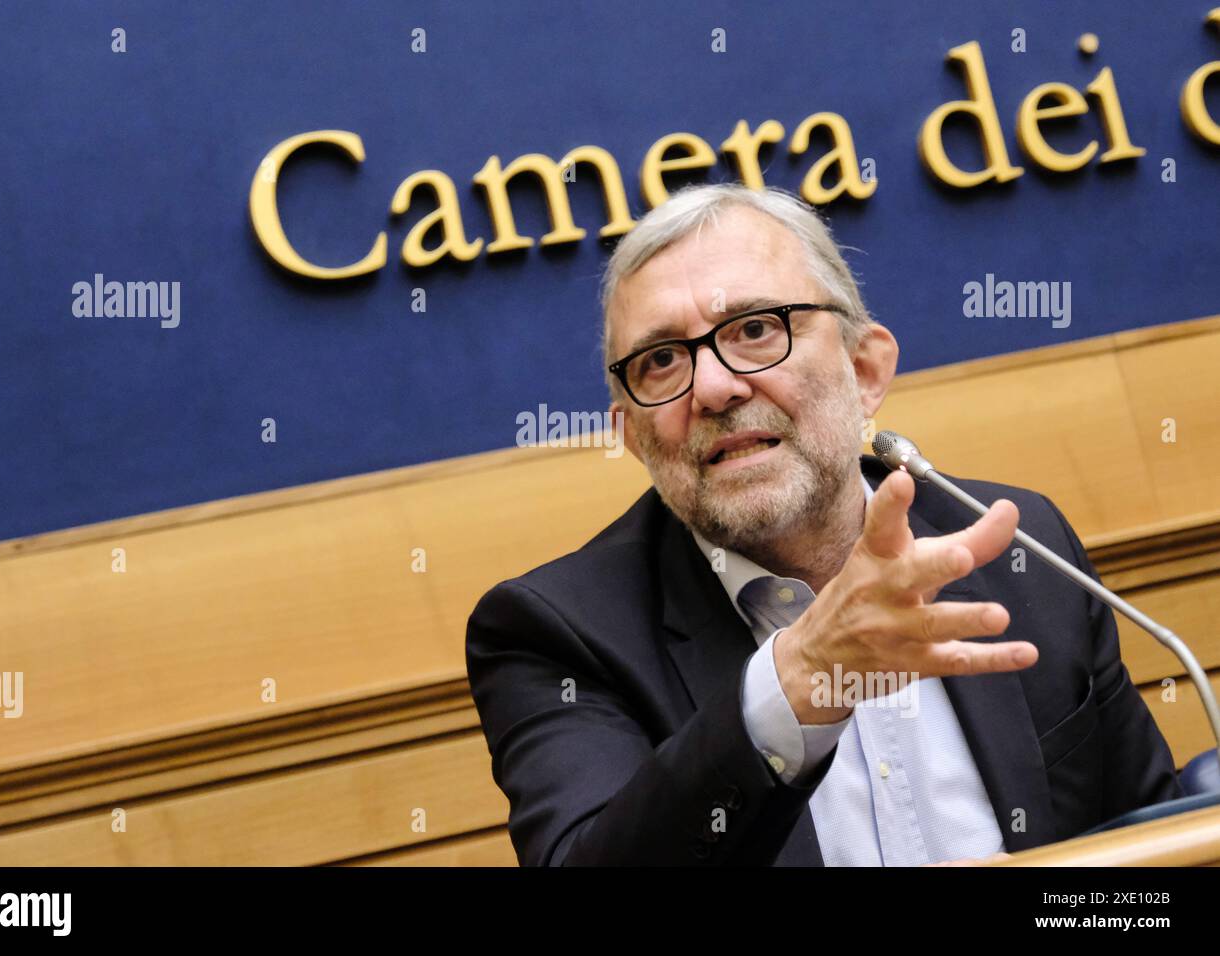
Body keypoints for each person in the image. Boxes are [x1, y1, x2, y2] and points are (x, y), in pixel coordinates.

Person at [465, 183, 1180, 866]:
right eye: (660, 361)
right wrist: (803, 674)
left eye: (754, 329)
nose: (714, 388)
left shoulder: (1018, 547)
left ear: (864, 370)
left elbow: (1147, 870)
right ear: (633, 436)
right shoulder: (554, 635)